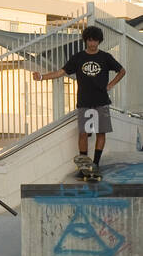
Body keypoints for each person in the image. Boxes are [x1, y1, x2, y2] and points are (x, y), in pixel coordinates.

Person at [33, 26, 126, 175]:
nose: (92, 43)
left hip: (102, 101)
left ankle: (95, 164)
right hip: (84, 101)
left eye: (95, 40)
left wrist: (111, 84)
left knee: (101, 133)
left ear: (99, 41)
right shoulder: (78, 57)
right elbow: (61, 72)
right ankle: (84, 166)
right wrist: (42, 77)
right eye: (90, 40)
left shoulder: (105, 57)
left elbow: (122, 71)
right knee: (83, 133)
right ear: (86, 40)